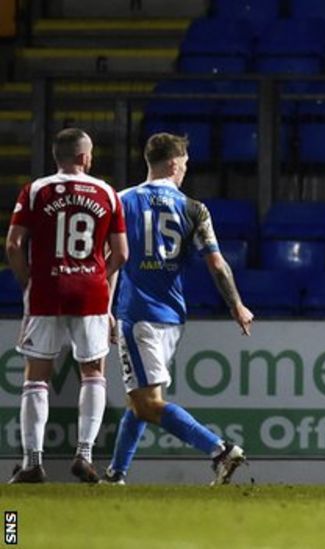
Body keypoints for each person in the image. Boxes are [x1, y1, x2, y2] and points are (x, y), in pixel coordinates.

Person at [103, 133, 253, 485]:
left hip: (137, 313)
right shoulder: (194, 208)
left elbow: (110, 259)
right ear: (173, 164)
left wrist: (105, 306)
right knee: (142, 398)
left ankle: (219, 449)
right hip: (172, 317)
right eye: (184, 165)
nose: (185, 171)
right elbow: (217, 265)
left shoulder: (121, 201)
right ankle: (115, 474)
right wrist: (237, 304)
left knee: (146, 401)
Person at [7, 128, 129, 483]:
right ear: (84, 157)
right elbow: (121, 252)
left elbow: (14, 245)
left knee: (36, 377)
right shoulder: (106, 192)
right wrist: (95, 277)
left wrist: (28, 281)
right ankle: (85, 454)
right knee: (93, 372)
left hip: (46, 289)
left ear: (56, 156)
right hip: (91, 292)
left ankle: (33, 462)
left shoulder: (35, 190)